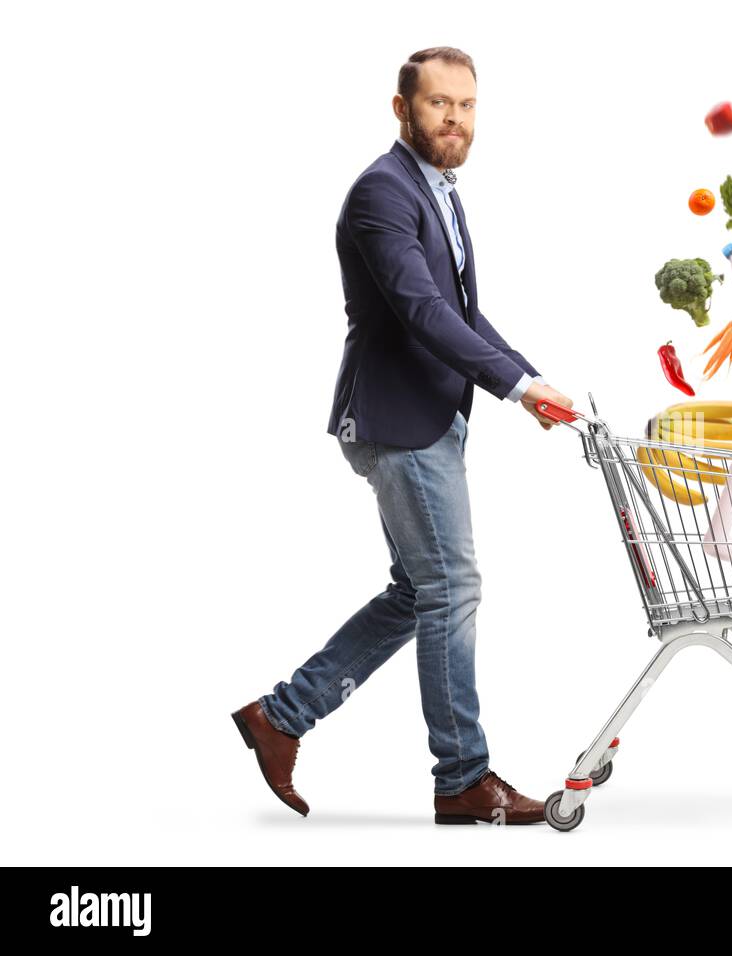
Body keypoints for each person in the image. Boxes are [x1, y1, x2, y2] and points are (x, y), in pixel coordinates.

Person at [232, 46, 573, 825]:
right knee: (452, 587)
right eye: (437, 104)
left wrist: (530, 381)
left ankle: (280, 717)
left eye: (466, 105)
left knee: (419, 592)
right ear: (402, 109)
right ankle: (462, 778)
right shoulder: (381, 194)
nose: (454, 118)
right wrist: (515, 386)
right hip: (398, 419)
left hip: (432, 414)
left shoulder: (441, 193)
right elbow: (421, 311)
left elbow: (460, 313)